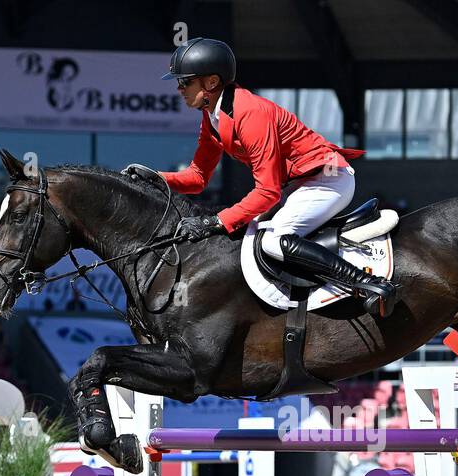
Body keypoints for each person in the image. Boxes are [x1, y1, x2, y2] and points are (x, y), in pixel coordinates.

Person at [124, 37, 396, 318]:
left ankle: (368, 284)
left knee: (274, 240)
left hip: (328, 180)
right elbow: (198, 177)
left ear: (211, 82)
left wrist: (216, 221)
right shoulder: (212, 117)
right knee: (247, 237)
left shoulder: (250, 112)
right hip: (299, 185)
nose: (179, 89)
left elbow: (267, 192)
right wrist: (156, 178)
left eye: (185, 82)